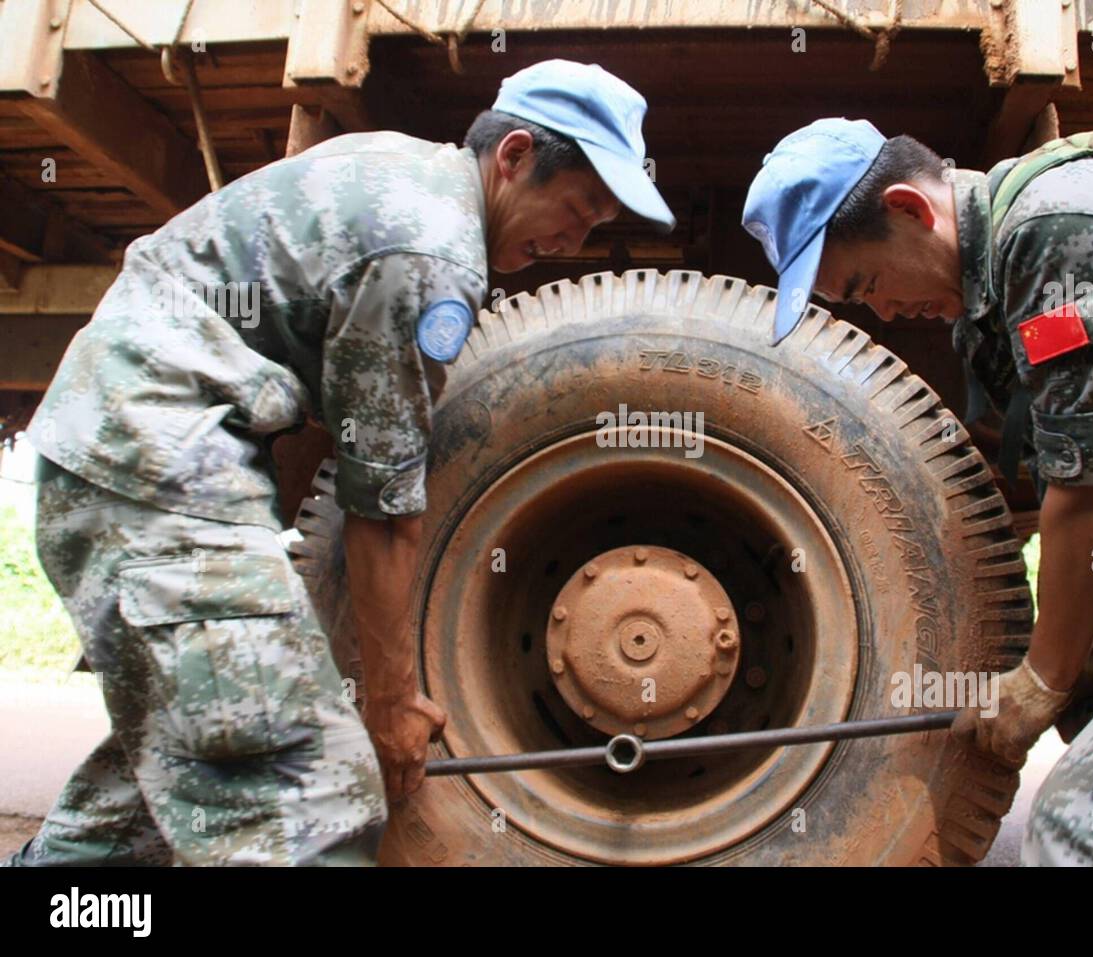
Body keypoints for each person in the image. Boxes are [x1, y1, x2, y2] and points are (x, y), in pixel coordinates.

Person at [7, 59, 673, 866]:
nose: (574, 242)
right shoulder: (432, 255)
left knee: (172, 769)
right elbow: (381, 505)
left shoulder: (407, 170)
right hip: (155, 463)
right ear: (516, 156)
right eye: (578, 211)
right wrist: (391, 707)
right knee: (308, 794)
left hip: (122, 448)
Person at [742, 117, 1093, 864]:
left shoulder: (1057, 227)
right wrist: (1084, 682)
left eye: (868, 283)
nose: (881, 311)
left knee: (1092, 819)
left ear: (910, 209)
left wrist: (1041, 680)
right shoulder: (992, 313)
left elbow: (1092, 487)